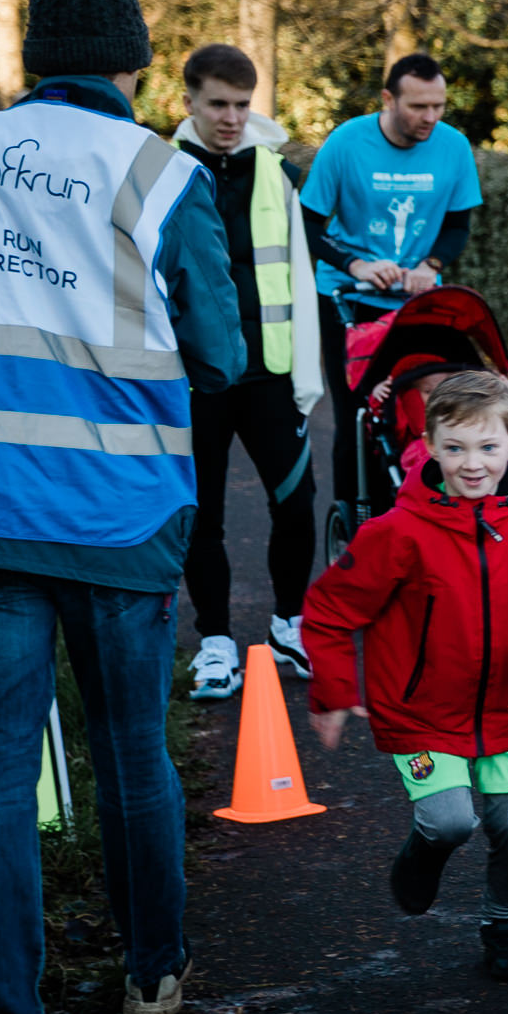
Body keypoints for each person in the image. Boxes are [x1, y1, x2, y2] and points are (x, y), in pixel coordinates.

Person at [0, 0, 243, 1014]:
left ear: (33, 60)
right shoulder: (162, 172)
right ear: (136, 63)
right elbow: (224, 352)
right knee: (131, 749)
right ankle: (153, 973)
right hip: (119, 510)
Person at [301, 373, 508, 980]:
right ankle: (423, 853)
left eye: (487, 447)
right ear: (429, 444)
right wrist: (332, 689)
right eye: (454, 447)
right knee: (450, 820)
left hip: (507, 709)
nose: (472, 463)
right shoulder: (395, 533)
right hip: (422, 712)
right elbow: (330, 609)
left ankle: (504, 921)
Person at [171, 42, 327, 701]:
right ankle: (213, 641)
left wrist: (307, 377)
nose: (231, 117)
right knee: (199, 511)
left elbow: (301, 273)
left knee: (296, 503)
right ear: (189, 103)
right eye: (218, 104)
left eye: (241, 104)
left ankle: (290, 622)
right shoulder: (160, 170)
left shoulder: (278, 172)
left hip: (268, 373)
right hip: (194, 376)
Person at [301, 53, 481, 512]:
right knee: (356, 412)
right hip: (348, 296)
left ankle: (420, 506)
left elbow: (458, 225)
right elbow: (308, 224)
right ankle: (355, 519)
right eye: (419, 107)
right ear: (388, 98)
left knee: (420, 407)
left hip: (416, 299)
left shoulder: (453, 147)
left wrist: (432, 263)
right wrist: (355, 265)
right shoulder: (345, 144)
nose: (431, 118)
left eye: (439, 106)